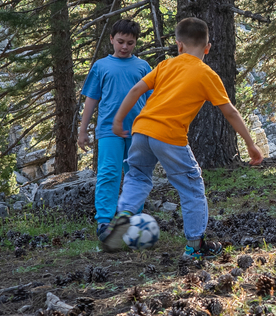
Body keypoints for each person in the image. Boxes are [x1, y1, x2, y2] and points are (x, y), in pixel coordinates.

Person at [100, 17, 263, 259]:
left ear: (179, 46)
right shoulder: (206, 74)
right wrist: (250, 145)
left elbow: (136, 90)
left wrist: (117, 120)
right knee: (192, 187)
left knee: (137, 176)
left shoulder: (166, 65)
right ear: (207, 48)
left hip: (141, 130)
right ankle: (195, 246)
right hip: (169, 135)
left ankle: (122, 216)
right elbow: (229, 111)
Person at [77, 19, 153, 248]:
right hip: (109, 130)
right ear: (111, 39)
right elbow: (91, 99)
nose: (124, 47)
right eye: (120, 41)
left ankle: (131, 221)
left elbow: (153, 100)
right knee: (108, 173)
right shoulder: (101, 66)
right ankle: (104, 221)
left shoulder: (143, 67)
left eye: (130, 43)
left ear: (135, 43)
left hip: (138, 131)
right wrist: (83, 131)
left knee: (136, 176)